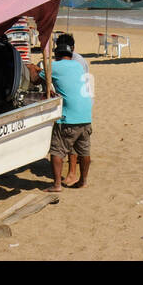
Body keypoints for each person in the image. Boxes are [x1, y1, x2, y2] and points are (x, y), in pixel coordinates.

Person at [27, 43, 93, 190]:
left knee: (57, 150)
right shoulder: (78, 66)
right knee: (84, 151)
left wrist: (32, 68)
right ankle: (83, 181)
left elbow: (35, 79)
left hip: (68, 117)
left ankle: (57, 184)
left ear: (57, 55)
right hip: (86, 115)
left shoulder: (54, 66)